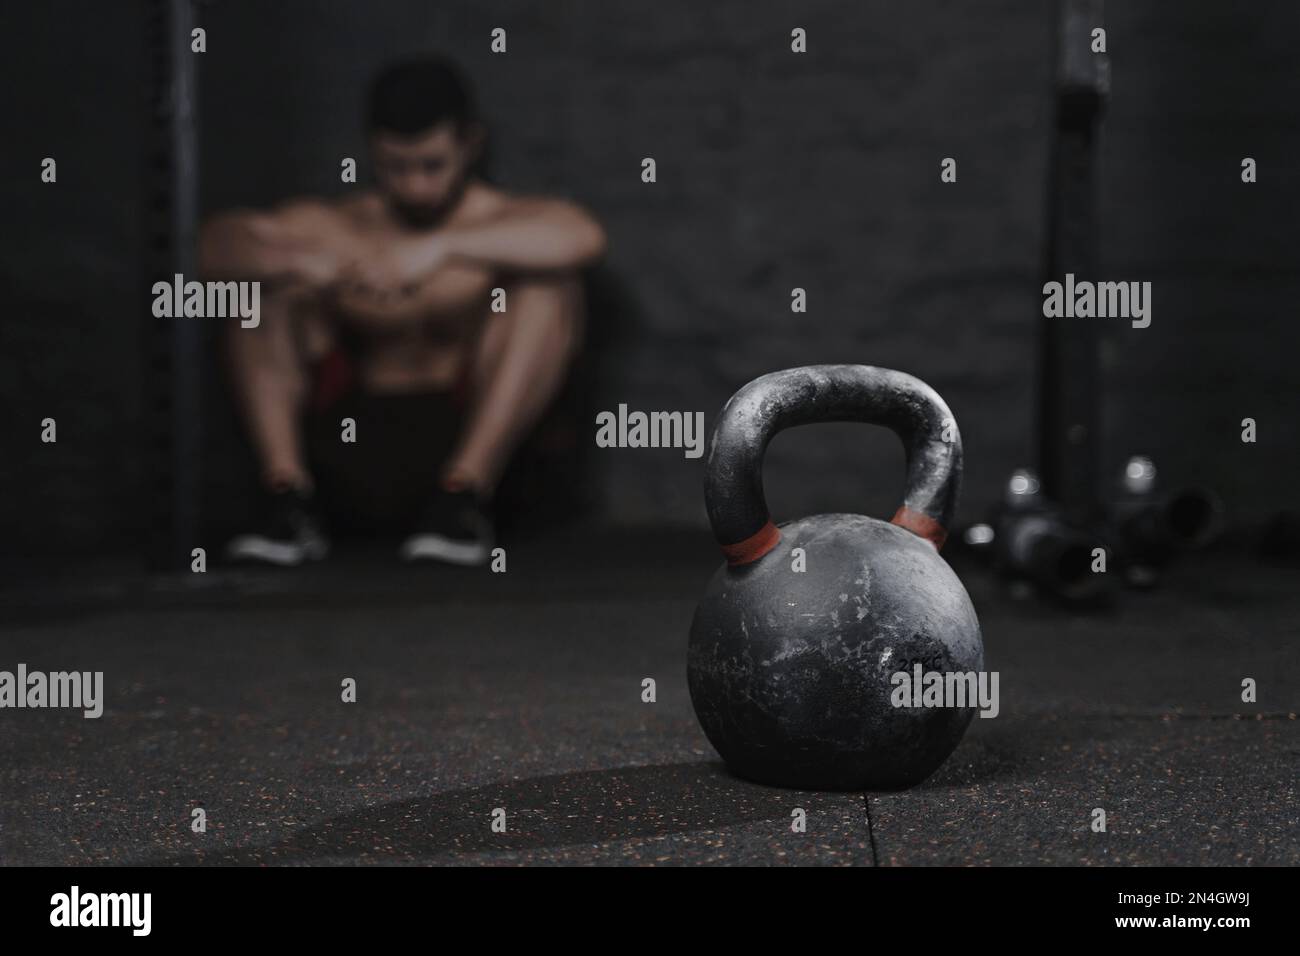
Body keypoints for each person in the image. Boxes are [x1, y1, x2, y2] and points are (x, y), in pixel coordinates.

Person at [199, 56, 606, 566]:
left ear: (470, 145)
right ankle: (287, 504)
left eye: (432, 165)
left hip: (466, 449)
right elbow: (212, 248)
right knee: (259, 290)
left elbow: (583, 237)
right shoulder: (338, 225)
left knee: (548, 287)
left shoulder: (503, 223)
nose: (415, 186)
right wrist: (302, 260)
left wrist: (440, 248)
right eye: (395, 166)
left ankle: (461, 502)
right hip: (353, 454)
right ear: (371, 151)